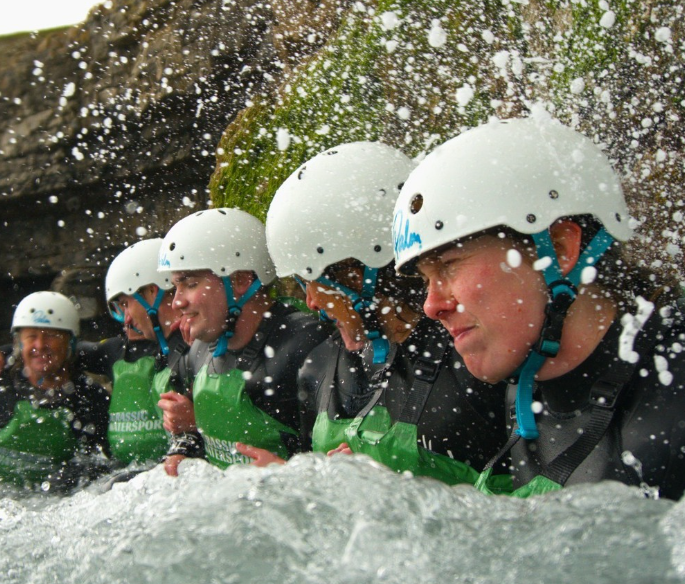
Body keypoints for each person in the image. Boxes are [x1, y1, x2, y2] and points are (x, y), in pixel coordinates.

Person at [392, 111, 685, 534]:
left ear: (560, 249)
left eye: (450, 266)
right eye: (426, 278)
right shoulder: (529, 388)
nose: (432, 305)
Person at [256, 141, 510, 484]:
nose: (312, 302)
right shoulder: (317, 365)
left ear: (359, 274)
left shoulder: (477, 361)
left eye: (313, 282)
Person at [156, 207, 329, 474]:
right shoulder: (200, 349)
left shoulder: (306, 345)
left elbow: (342, 468)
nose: (177, 301)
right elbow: (193, 437)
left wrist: (293, 474)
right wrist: (184, 446)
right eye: (175, 286)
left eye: (190, 284)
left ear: (241, 279)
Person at [0, 291, 110, 491]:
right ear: (18, 343)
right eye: (31, 336)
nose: (40, 346)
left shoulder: (91, 399)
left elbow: (107, 466)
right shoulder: (3, 386)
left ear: (70, 342)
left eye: (51, 336)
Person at [101, 238, 187, 467]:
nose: (126, 319)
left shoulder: (192, 347)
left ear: (152, 291)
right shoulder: (170, 349)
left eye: (126, 305)